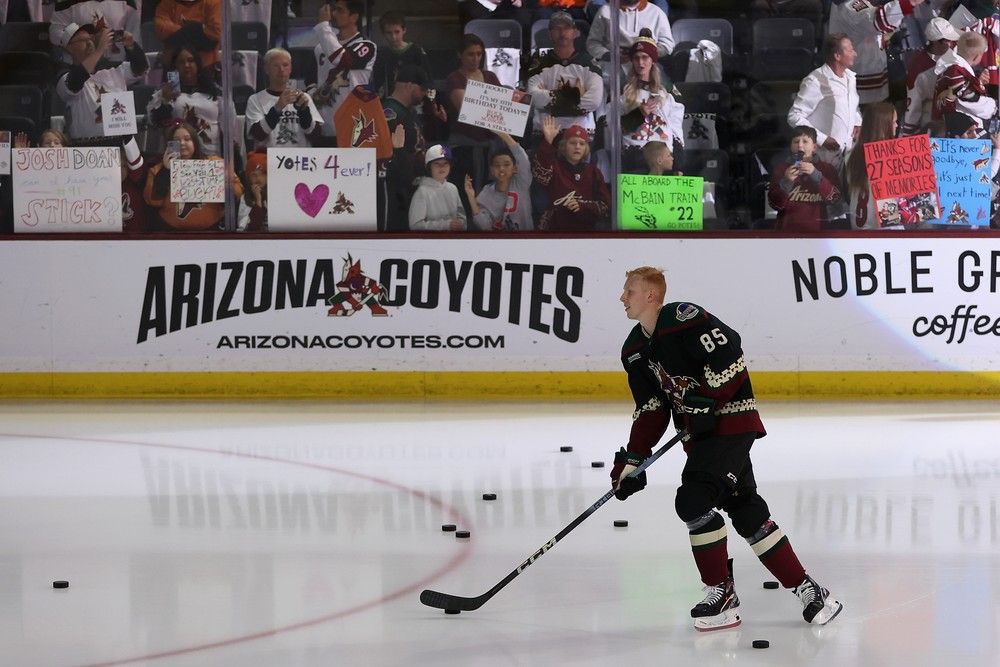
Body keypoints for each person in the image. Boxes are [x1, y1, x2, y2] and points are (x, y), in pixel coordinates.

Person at [611, 266, 843, 632]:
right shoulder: (635, 350)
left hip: (731, 424)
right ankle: (810, 590)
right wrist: (633, 461)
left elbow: (730, 352)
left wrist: (708, 398)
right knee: (747, 512)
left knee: (693, 500)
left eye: (629, 291)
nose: (623, 298)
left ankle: (722, 592)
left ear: (651, 296)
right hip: (699, 438)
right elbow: (652, 408)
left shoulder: (683, 318)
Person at [55, 22, 148, 145]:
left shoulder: (114, 69)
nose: (89, 43)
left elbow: (141, 68)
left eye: (90, 38)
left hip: (122, 143)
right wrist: (99, 50)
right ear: (69, 48)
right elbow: (74, 82)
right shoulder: (64, 75)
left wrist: (131, 45)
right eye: (82, 40)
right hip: (88, 148)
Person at [143, 121, 243, 230]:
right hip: (171, 233)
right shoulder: (157, 169)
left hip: (211, 232)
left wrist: (225, 184)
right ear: (169, 144)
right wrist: (165, 171)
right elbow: (152, 201)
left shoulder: (214, 164)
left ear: (195, 142)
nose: (182, 143)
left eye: (187, 139)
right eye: (176, 140)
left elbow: (237, 194)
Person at [827, 0, 925, 104]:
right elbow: (877, 20)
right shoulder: (849, 5)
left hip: (870, 81)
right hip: (861, 92)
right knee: (873, 118)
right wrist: (910, 2)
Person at [787, 33, 862, 170]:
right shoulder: (815, 81)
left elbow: (852, 105)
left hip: (848, 155)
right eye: (850, 50)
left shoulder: (850, 78)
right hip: (823, 160)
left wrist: (857, 121)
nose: (855, 53)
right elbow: (794, 116)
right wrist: (822, 139)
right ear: (837, 56)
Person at [525, 11, 604, 138]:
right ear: (550, 34)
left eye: (567, 28)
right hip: (544, 133)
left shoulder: (589, 63)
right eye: (557, 29)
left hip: (581, 137)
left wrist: (551, 100)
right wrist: (577, 94)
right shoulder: (539, 63)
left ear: (575, 32)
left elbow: (594, 101)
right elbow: (533, 97)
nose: (562, 33)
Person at [147, 45, 233, 156]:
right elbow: (153, 122)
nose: (186, 65)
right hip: (179, 156)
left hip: (212, 156)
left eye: (191, 61)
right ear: (175, 66)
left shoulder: (216, 93)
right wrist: (165, 100)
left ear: (198, 64)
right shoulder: (164, 92)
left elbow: (230, 125)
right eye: (181, 62)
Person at [618, 29, 684, 173]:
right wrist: (639, 114)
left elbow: (676, 131)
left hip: (665, 161)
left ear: (652, 60)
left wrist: (678, 166)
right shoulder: (622, 92)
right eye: (636, 58)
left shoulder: (667, 94)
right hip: (635, 161)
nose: (640, 63)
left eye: (645, 57)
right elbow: (614, 130)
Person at [312, 0, 377, 143]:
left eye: (340, 10)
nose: (334, 14)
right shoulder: (320, 47)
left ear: (354, 17)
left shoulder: (367, 46)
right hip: (324, 126)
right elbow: (313, 80)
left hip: (354, 129)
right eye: (333, 10)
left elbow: (342, 61)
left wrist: (324, 27)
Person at [532, 115, 610, 231]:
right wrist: (548, 141)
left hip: (586, 229)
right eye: (573, 143)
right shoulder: (554, 166)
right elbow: (541, 175)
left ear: (586, 149)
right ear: (564, 146)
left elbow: (605, 206)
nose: (577, 147)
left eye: (582, 144)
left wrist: (583, 205)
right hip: (556, 228)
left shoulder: (593, 171)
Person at [767, 126, 842, 232]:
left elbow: (835, 199)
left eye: (805, 141)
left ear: (814, 147)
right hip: (786, 235)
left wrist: (816, 175)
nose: (800, 145)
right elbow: (774, 204)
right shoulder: (781, 169)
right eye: (796, 141)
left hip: (818, 236)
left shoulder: (827, 169)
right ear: (790, 146)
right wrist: (786, 181)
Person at [246, 48, 323, 150]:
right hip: (269, 160)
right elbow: (258, 135)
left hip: (299, 160)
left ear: (290, 68)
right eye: (276, 66)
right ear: (266, 69)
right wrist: (277, 108)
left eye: (285, 65)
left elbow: (315, 136)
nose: (281, 70)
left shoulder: (303, 97)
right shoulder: (255, 100)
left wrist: (304, 111)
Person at [844, 102, 900, 229]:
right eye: (894, 122)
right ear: (883, 125)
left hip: (857, 231)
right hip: (883, 233)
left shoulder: (850, 155)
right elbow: (889, 204)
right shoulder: (891, 157)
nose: (897, 125)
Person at [901, 17, 960, 135]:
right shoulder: (918, 67)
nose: (952, 44)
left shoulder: (954, 55)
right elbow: (913, 104)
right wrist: (909, 135)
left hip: (956, 118)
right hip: (932, 124)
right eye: (948, 40)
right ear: (936, 41)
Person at [465, 131, 533, 231]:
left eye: (506, 164)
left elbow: (522, 159)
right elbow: (485, 227)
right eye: (497, 165)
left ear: (515, 168)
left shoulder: (521, 183)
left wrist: (504, 135)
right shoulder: (486, 192)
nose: (501, 168)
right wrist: (471, 197)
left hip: (526, 240)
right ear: (491, 170)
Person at [933, 31, 997, 128]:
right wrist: (994, 107)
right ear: (976, 57)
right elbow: (968, 98)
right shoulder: (956, 71)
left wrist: (978, 82)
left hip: (957, 121)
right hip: (962, 127)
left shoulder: (951, 65)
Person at [49, 0, 140, 64]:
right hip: (77, 67)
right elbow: (55, 34)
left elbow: (133, 38)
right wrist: (81, 38)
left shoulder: (128, 2)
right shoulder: (67, 3)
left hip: (117, 68)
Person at [586, 0, 673, 64]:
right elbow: (593, 42)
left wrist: (648, 53)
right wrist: (608, 55)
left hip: (647, 68)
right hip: (612, 69)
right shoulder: (605, 11)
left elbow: (667, 44)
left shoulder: (656, 12)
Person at [371, 11, 431, 97]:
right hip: (389, 100)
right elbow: (377, 81)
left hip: (414, 100)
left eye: (397, 32)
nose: (393, 37)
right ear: (383, 33)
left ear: (404, 30)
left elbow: (428, 80)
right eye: (389, 33)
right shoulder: (381, 53)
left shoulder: (416, 51)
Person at [408, 144, 467, 231]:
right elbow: (415, 225)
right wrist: (446, 225)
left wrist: (460, 224)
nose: (442, 167)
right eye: (437, 163)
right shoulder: (422, 192)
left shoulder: (453, 188)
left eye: (446, 163)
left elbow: (462, 217)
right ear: (429, 167)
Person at [154, 0, 221, 68]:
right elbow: (161, 30)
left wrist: (181, 32)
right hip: (174, 67)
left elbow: (216, 32)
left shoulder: (214, 3)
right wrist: (196, 29)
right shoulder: (166, 4)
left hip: (207, 67)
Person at [238, 151, 267, 232]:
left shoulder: (275, 194)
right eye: (254, 175)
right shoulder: (245, 198)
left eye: (262, 174)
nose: (258, 178)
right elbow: (250, 229)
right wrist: (258, 200)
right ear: (248, 178)